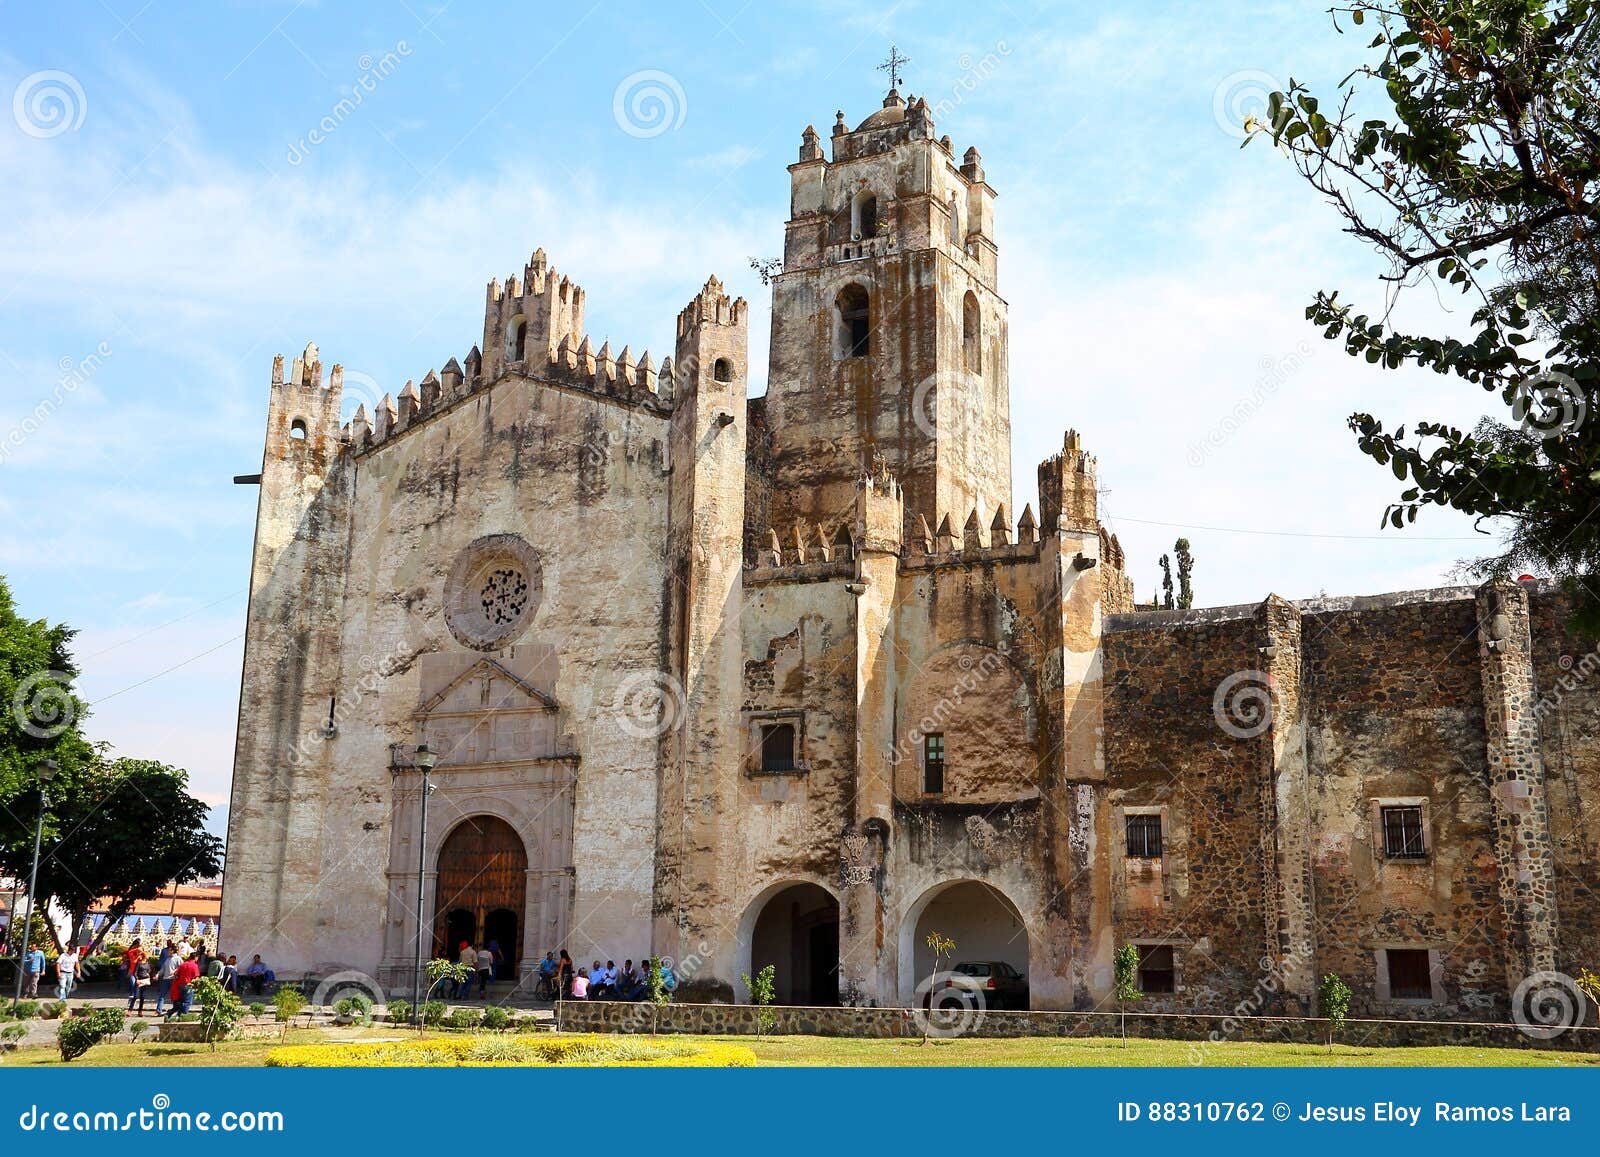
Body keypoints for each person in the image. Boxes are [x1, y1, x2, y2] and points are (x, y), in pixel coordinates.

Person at [165, 953, 200, 1019]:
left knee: (180, 1002)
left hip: (180, 985)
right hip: (188, 985)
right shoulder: (194, 966)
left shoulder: (183, 964)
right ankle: (182, 1017)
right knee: (187, 1002)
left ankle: (173, 1015)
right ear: (195, 957)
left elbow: (176, 974)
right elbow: (196, 977)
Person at [155, 941, 180, 1016]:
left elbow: (181, 968)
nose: (168, 951)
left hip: (173, 980)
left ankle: (175, 1010)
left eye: (169, 950)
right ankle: (158, 1010)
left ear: (172, 951)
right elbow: (163, 969)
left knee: (174, 996)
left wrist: (175, 971)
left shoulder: (178, 959)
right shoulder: (167, 959)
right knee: (161, 995)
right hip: (165, 979)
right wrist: (157, 975)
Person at [124, 939, 146, 1011]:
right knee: (133, 986)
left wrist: (141, 951)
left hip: (140, 975)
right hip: (132, 973)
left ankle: (134, 1002)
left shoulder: (141, 959)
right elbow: (129, 952)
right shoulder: (133, 956)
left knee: (138, 990)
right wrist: (137, 948)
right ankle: (131, 1001)